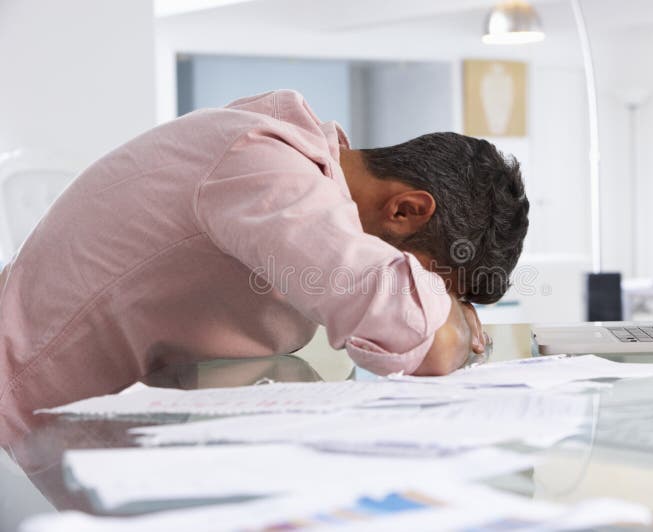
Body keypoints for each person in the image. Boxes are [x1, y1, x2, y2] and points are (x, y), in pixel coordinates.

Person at [0, 90, 529, 445]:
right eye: (430, 279)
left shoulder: (295, 170)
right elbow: (424, 337)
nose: (435, 300)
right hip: (16, 420)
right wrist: (452, 322)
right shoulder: (262, 162)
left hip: (67, 432)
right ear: (406, 210)